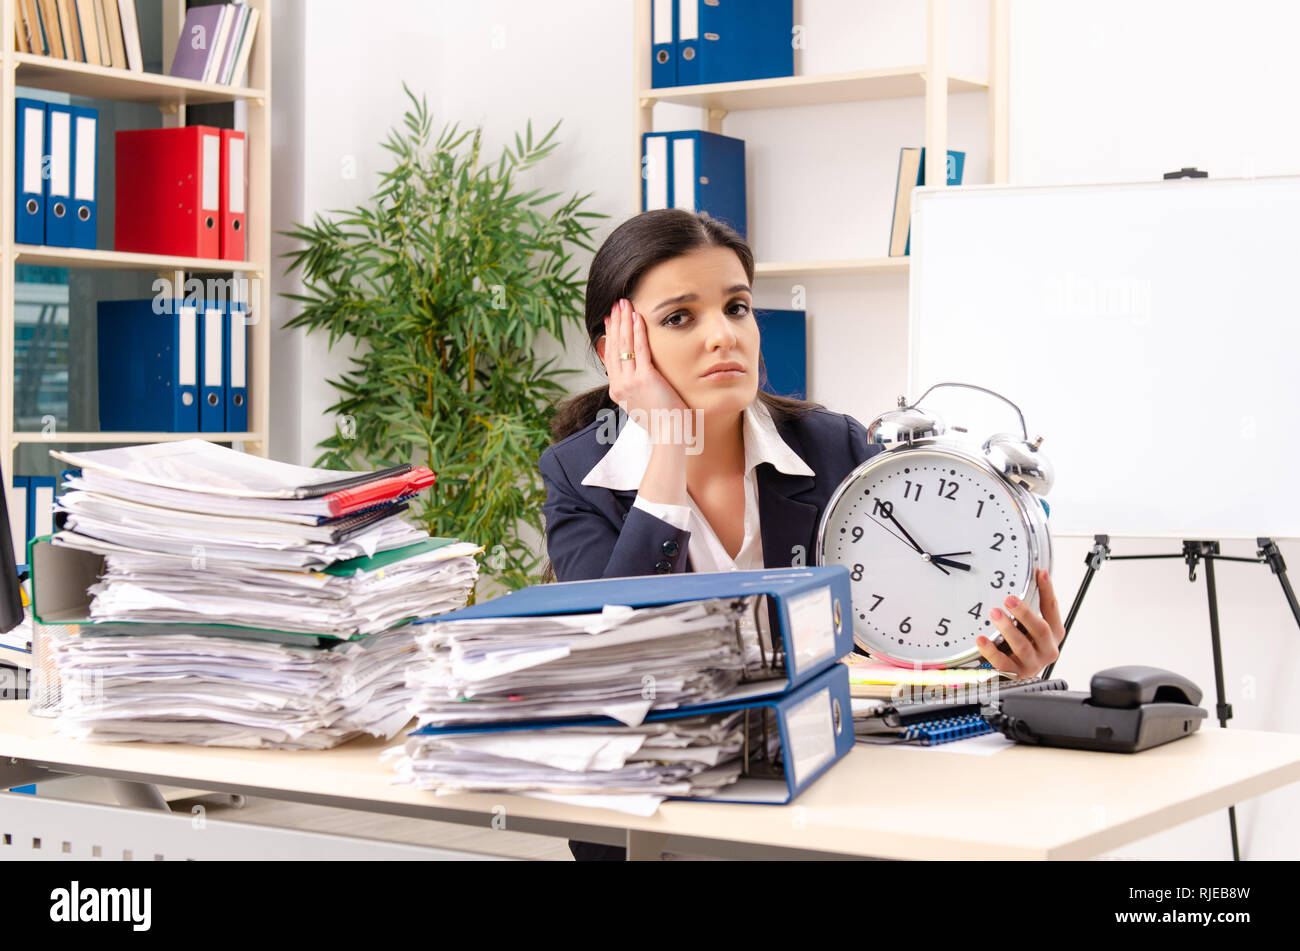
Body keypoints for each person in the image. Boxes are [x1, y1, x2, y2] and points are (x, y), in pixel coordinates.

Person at [538, 209, 1065, 860]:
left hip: (826, 804)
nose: (722, 335)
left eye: (736, 307)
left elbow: (918, 632)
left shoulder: (831, 445)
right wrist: (667, 449)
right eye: (680, 317)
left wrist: (1008, 662)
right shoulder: (577, 475)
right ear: (618, 349)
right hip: (658, 816)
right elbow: (614, 657)